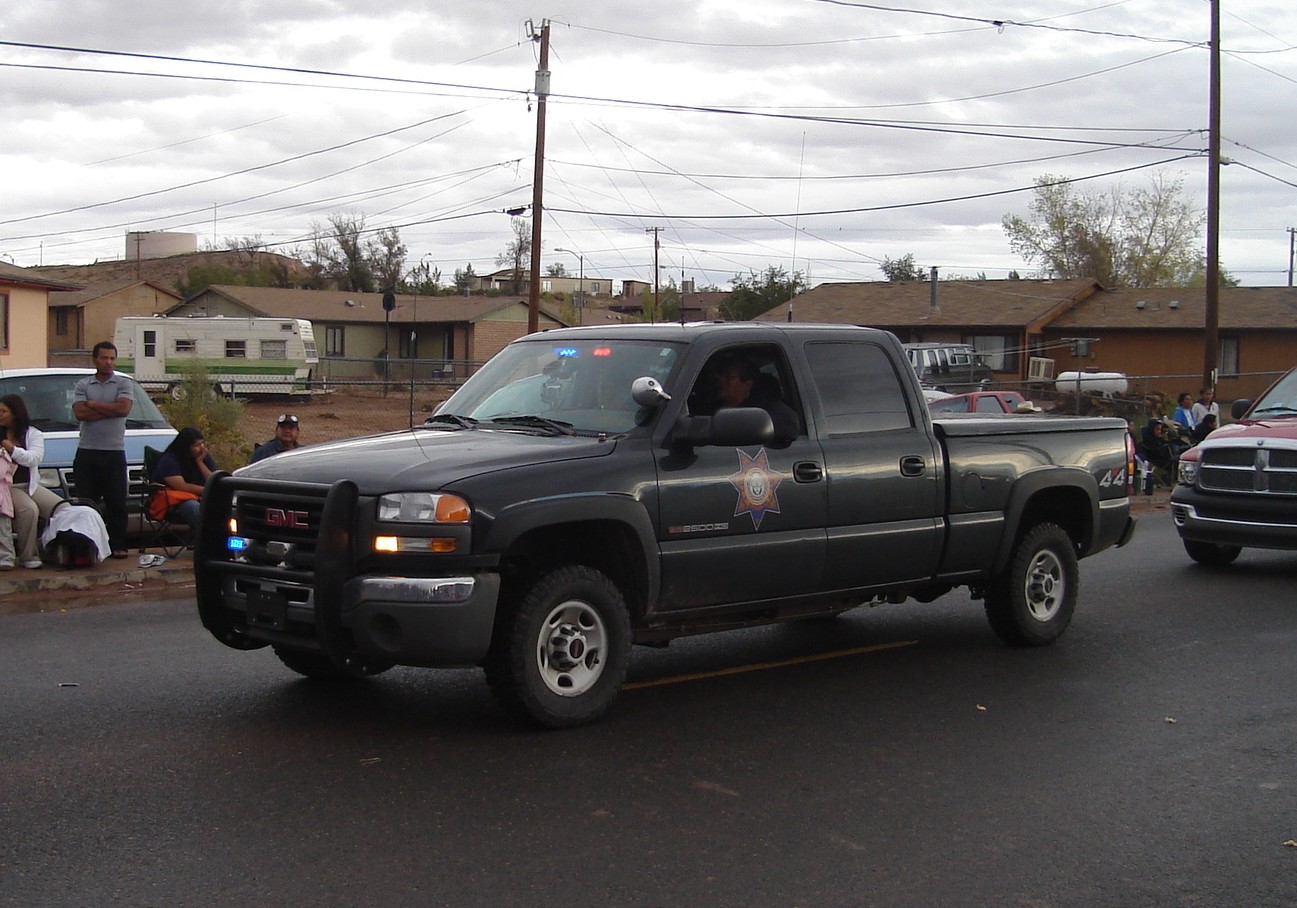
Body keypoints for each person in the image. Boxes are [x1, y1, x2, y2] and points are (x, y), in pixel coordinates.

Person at [72, 341, 134, 559]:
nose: (109, 362)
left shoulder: (123, 383)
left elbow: (123, 409)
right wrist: (110, 410)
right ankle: (88, 545)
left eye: (112, 358)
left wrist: (94, 405)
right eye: (104, 358)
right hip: (87, 451)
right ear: (95, 360)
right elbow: (80, 414)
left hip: (114, 452)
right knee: (86, 502)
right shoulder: (83, 385)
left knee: (116, 502)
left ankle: (118, 545)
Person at [0, 394, 63, 569]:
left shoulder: (33, 434)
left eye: (3, 411)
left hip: (31, 485)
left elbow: (33, 459)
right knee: (29, 509)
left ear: (15, 413)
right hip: (8, 486)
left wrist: (12, 449)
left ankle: (55, 548)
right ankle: (28, 555)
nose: (0, 414)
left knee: (62, 508)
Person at [713, 355, 800, 445]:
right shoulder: (709, 407)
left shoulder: (768, 410)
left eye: (728, 377)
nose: (720, 380)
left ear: (747, 384)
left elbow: (789, 428)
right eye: (719, 375)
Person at [151, 427, 217, 531]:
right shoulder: (169, 460)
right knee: (192, 506)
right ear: (185, 447)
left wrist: (200, 463)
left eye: (202, 444)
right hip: (176, 500)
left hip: (202, 497)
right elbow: (181, 486)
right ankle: (207, 537)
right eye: (197, 445)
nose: (202, 448)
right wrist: (208, 491)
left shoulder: (203, 456)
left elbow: (213, 479)